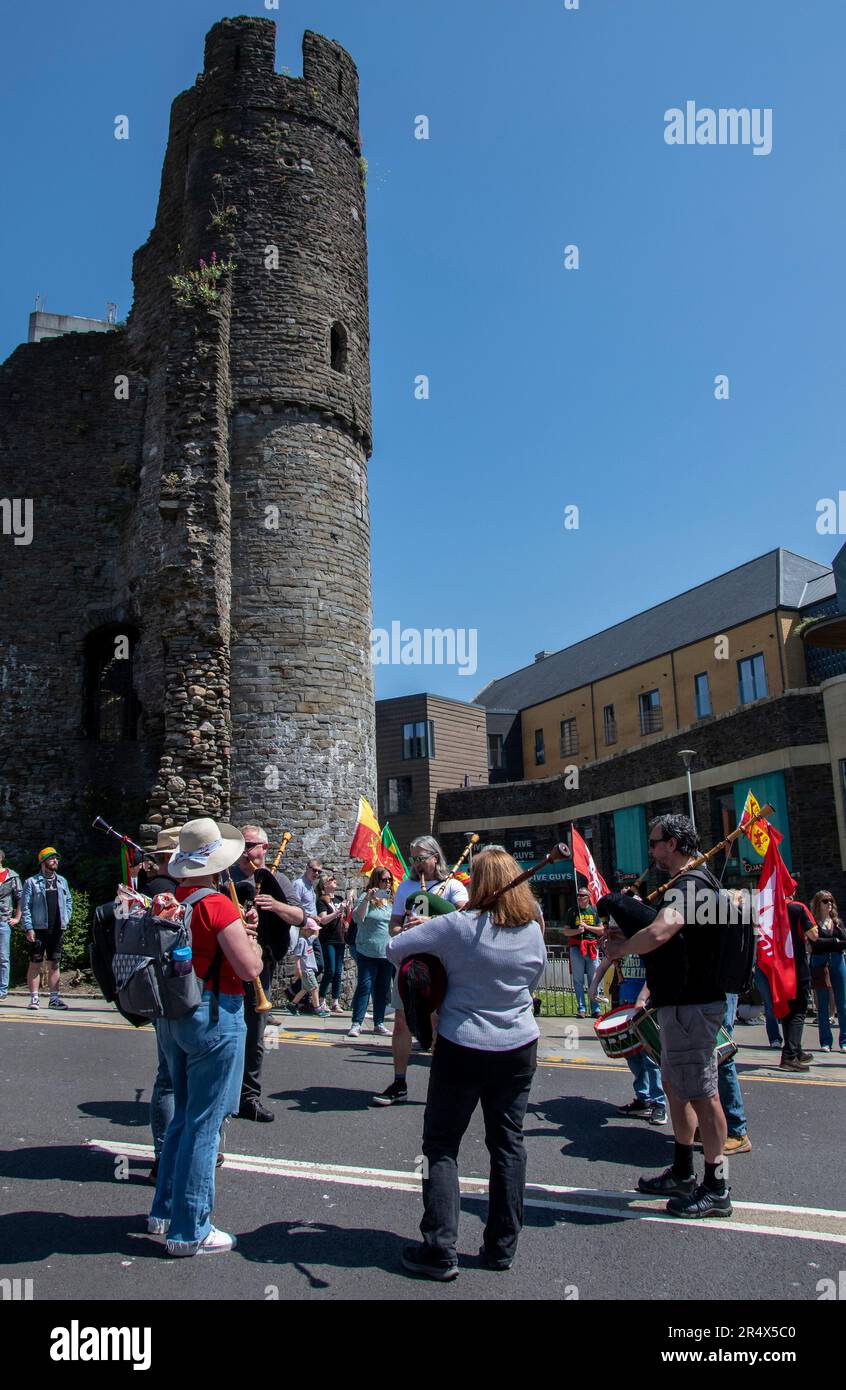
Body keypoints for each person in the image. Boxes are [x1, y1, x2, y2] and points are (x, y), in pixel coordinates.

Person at [387, 846, 546, 1279]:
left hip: (462, 1044)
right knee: (508, 1144)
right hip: (517, 1045)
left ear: (478, 884)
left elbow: (394, 948)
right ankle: (501, 1248)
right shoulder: (532, 928)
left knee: (441, 1145)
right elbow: (535, 977)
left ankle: (440, 1247)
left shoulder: (456, 927)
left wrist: (433, 937)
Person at [603, 814, 735, 1220]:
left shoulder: (693, 885)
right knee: (677, 1088)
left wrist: (622, 949)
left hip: (696, 1005)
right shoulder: (685, 883)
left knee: (702, 1092)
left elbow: (660, 934)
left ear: (675, 843)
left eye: (656, 842)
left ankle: (717, 1187)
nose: (652, 850)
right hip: (678, 1003)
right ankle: (682, 1171)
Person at [148, 817, 263, 1257]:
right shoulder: (217, 905)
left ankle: (164, 1210)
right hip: (217, 1013)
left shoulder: (170, 899)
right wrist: (249, 939)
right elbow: (249, 968)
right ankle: (190, 1228)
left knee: (182, 1115)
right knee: (205, 1125)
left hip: (175, 1013)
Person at [373, 836, 469, 1107]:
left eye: (420, 858)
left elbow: (466, 920)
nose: (416, 864)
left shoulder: (453, 886)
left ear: (435, 857)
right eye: (412, 858)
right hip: (410, 960)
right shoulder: (405, 887)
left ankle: (441, 1085)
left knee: (439, 1022)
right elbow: (393, 924)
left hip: (442, 963)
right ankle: (399, 1082)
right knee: (401, 1020)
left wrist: (432, 920)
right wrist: (402, 929)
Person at [226, 825, 310, 1122]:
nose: (246, 851)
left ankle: (249, 1096)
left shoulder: (278, 879)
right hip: (227, 962)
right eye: (242, 845)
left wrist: (275, 905)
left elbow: (300, 917)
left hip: (263, 963)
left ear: (265, 848)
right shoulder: (226, 876)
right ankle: (225, 1095)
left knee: (255, 1031)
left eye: (251, 845)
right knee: (227, 1030)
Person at [138, 826, 182, 1183]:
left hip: (162, 992)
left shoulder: (148, 887)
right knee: (170, 1077)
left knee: (171, 1075)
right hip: (173, 993)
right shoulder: (164, 892)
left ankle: (168, 1153)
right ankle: (166, 1158)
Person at [613, 952, 667, 1125]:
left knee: (650, 1057)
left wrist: (643, 996)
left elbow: (656, 971)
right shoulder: (624, 942)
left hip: (646, 1007)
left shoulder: (646, 942)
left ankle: (659, 1104)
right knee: (632, 1054)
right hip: (626, 1003)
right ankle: (643, 1098)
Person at [21, 847, 74, 1010]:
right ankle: (34, 998)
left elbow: (69, 901)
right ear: (43, 862)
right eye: (51, 859)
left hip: (57, 929)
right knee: (35, 963)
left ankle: (54, 999)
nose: (55, 861)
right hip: (39, 929)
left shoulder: (62, 881)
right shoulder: (31, 882)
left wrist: (66, 918)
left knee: (54, 963)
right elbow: (25, 907)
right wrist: (29, 927)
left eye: (56, 858)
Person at [348, 868, 394, 1036]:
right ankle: (356, 1023)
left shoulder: (390, 900)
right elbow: (357, 918)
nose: (387, 883)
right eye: (384, 880)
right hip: (367, 951)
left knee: (382, 989)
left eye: (390, 880)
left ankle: (379, 1023)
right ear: (376, 881)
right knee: (365, 986)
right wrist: (368, 898)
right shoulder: (365, 897)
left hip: (386, 952)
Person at [778, 899, 815, 1070]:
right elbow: (814, 934)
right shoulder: (798, 908)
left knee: (788, 1011)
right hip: (798, 967)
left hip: (780, 968)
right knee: (798, 1011)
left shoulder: (771, 909)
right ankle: (790, 1055)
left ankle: (796, 1050)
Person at [809, 891, 846, 1053]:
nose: (829, 903)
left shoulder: (837, 922)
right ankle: (825, 1041)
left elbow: (844, 942)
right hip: (819, 962)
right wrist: (834, 941)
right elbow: (815, 943)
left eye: (831, 900)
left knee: (842, 1003)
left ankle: (844, 1040)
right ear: (818, 904)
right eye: (825, 901)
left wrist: (831, 942)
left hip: (837, 960)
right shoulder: (813, 923)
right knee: (822, 1004)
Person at [563, 887, 603, 1018]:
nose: (579, 898)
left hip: (592, 947)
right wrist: (577, 931)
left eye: (582, 895)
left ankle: (595, 1008)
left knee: (594, 979)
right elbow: (566, 931)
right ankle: (581, 1008)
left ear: (588, 897)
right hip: (576, 948)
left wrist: (587, 927)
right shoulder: (572, 911)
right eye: (578, 895)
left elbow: (601, 930)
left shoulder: (594, 910)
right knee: (578, 980)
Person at [315, 871, 348, 1013]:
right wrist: (337, 912)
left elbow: (344, 916)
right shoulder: (322, 901)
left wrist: (346, 912)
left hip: (340, 938)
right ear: (325, 885)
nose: (334, 881)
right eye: (331, 879)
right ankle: (321, 999)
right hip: (328, 938)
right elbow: (323, 920)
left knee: (338, 973)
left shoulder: (339, 898)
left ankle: (335, 1001)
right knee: (330, 971)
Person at [288, 920, 326, 1016]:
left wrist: (316, 923)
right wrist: (298, 969)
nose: (313, 932)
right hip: (307, 970)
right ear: (305, 930)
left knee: (304, 989)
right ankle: (317, 1008)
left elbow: (316, 934)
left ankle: (292, 1004)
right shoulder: (302, 941)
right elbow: (298, 956)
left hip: (309, 970)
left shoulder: (308, 939)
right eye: (311, 930)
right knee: (315, 988)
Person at [0, 848, 23, 1001]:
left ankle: (2, 990)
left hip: (3, 921)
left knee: (3, 957)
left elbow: (21, 897)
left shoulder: (12, 876)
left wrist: (17, 918)